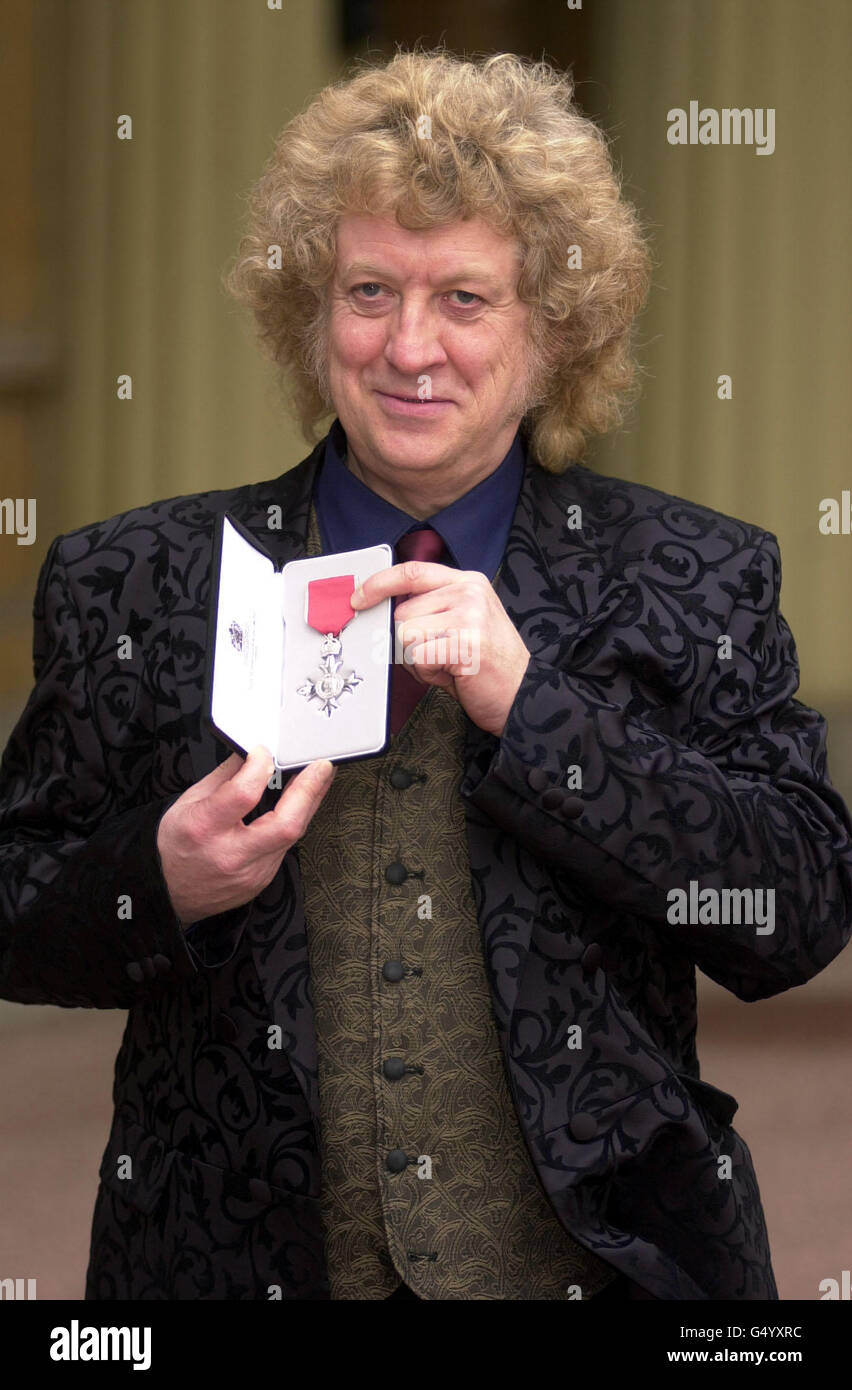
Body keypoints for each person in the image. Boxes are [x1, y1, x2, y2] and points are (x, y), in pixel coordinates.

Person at [1, 48, 850, 1302]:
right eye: (367, 290)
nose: (410, 347)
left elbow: (791, 916)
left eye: (465, 297)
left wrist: (539, 710)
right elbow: (16, 905)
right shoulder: (135, 579)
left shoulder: (694, 577)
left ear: (552, 329)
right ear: (310, 311)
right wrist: (157, 882)